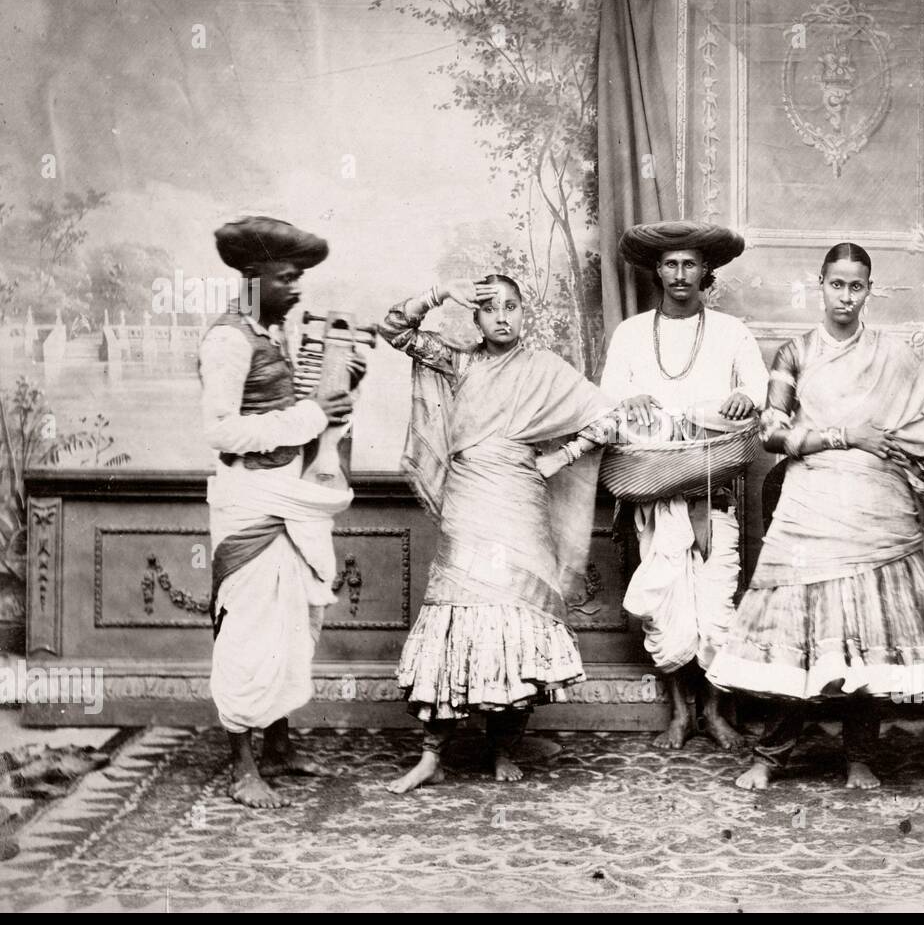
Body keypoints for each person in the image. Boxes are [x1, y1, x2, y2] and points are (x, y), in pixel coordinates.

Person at [706, 242, 924, 789]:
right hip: (811, 507)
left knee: (866, 639)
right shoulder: (795, 353)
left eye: (856, 286)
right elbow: (771, 431)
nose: (845, 296)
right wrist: (845, 435)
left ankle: (858, 756)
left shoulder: (891, 354)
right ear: (820, 285)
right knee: (795, 639)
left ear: (868, 291)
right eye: (836, 284)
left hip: (877, 507)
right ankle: (769, 756)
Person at [382, 274, 619, 791]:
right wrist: (438, 291)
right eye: (491, 309)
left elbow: (608, 418)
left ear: (523, 313)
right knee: (457, 616)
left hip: (520, 503)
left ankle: (502, 747)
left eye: (512, 307)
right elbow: (395, 328)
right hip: (468, 503)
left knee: (519, 619)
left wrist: (563, 455)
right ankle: (432, 754)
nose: (503, 317)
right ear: (476, 318)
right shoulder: (459, 362)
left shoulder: (543, 370)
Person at [200, 216, 362, 809]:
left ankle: (278, 746)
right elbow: (219, 431)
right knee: (250, 630)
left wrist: (337, 397)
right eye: (288, 278)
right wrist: (314, 415)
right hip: (250, 501)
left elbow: (305, 414)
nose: (297, 289)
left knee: (293, 624)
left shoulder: (270, 334)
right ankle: (242, 768)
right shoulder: (227, 340)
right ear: (251, 276)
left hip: (291, 494)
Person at [600, 221, 769, 750]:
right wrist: (629, 403)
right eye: (670, 264)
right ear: (657, 270)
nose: (680, 274)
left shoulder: (731, 332)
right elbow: (609, 400)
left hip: (713, 494)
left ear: (706, 272)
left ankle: (715, 713)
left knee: (717, 611)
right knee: (666, 610)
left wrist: (744, 397)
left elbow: (757, 390)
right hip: (654, 495)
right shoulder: (630, 333)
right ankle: (678, 712)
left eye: (690, 264)